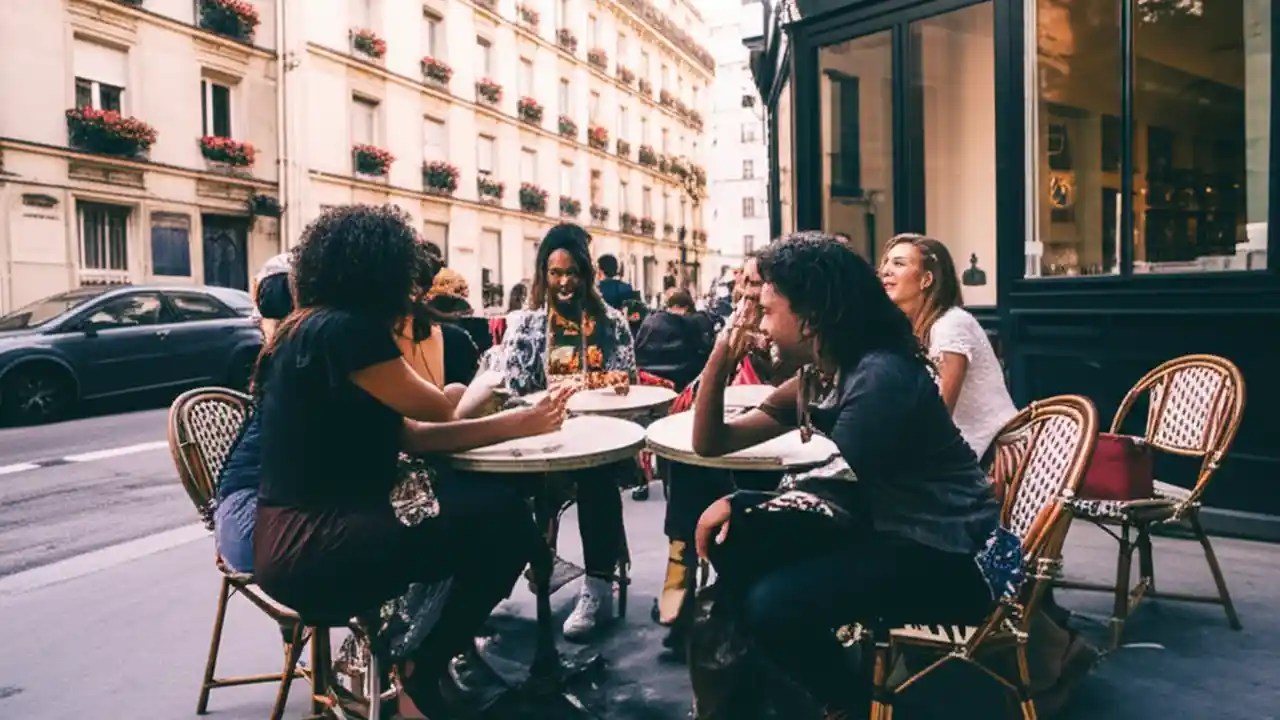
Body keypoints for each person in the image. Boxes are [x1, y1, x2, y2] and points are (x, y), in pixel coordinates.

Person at [249, 205, 573, 716]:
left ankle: (413, 663)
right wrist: (483, 394)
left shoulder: (305, 329)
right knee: (507, 523)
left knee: (491, 511)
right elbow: (439, 408)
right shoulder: (348, 332)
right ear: (383, 271)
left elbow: (414, 437)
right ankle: (419, 665)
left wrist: (520, 424)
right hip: (320, 544)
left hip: (289, 542)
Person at [690, 232, 999, 717]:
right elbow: (713, 443)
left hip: (949, 554)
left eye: (770, 312)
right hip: (896, 528)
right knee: (744, 550)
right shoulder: (825, 374)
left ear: (811, 317)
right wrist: (719, 357)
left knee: (771, 601)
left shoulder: (877, 378)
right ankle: (756, 699)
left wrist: (741, 505)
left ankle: (846, 703)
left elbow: (845, 491)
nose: (762, 326)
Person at [462, 223, 638, 642]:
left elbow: (626, 379)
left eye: (572, 272)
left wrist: (590, 384)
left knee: (598, 479)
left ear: (586, 274)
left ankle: (597, 585)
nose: (563, 282)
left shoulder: (610, 322)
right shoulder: (525, 323)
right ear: (543, 274)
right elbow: (518, 387)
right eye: (555, 272)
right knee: (491, 488)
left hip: (594, 436)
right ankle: (523, 564)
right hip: (537, 436)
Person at [878, 233, 1017, 461]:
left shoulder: (951, 324)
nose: (886, 270)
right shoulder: (909, 329)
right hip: (952, 455)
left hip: (995, 459)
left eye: (899, 263)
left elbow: (939, 415)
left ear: (926, 280)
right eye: (886, 262)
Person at [634, 288, 712, 391]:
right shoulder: (689, 323)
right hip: (678, 380)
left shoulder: (650, 320)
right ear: (684, 308)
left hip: (647, 378)